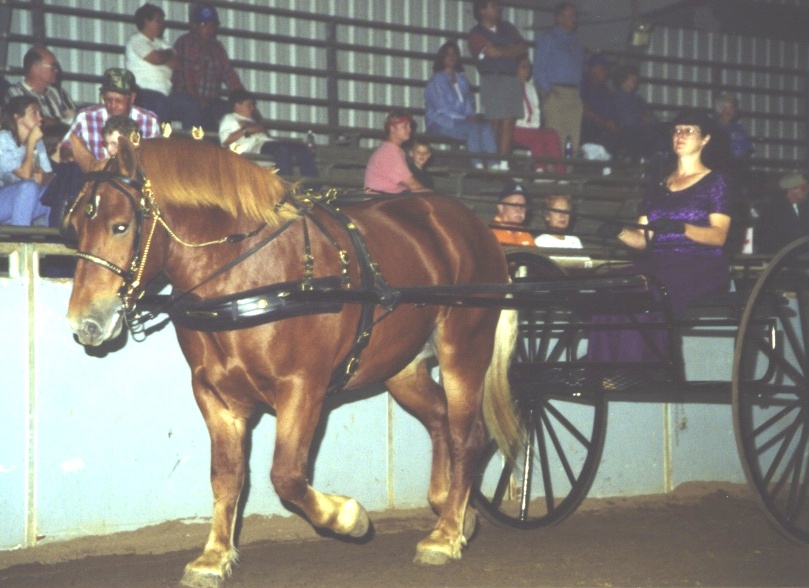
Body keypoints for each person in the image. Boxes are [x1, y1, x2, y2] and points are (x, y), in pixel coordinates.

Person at [591, 110, 734, 361]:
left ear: (705, 139)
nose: (680, 135)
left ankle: (644, 363)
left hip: (700, 265)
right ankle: (605, 362)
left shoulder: (716, 182)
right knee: (612, 284)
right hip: (659, 262)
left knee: (649, 290)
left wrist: (682, 228)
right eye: (677, 130)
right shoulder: (658, 185)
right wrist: (619, 231)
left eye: (688, 130)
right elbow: (642, 240)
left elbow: (718, 236)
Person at [467, 0, 528, 168]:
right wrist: (511, 50)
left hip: (511, 78)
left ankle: (503, 163)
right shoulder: (476, 34)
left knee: (509, 120)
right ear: (482, 10)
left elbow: (522, 47)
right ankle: (491, 162)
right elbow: (491, 52)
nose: (499, 8)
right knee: (495, 121)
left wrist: (503, 51)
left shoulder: (508, 27)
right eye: (493, 6)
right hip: (493, 79)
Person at [62, 67, 161, 168]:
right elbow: (65, 147)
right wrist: (70, 155)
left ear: (132, 98)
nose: (112, 105)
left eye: (118, 101)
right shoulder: (85, 118)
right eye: (108, 99)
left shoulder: (149, 121)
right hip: (94, 177)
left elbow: (156, 157)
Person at [126, 3, 203, 129]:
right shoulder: (137, 40)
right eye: (158, 20)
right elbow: (156, 58)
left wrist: (162, 56)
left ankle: (190, 143)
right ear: (147, 21)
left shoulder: (162, 44)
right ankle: (159, 142)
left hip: (165, 94)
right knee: (159, 104)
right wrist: (166, 55)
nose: (162, 24)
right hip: (144, 93)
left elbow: (178, 64)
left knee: (191, 104)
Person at [424, 40, 497, 169]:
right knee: (472, 128)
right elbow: (441, 108)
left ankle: (494, 164)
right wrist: (465, 118)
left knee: (485, 126)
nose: (451, 57)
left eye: (454, 54)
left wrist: (471, 115)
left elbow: (469, 103)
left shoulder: (462, 80)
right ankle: (477, 164)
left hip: (461, 122)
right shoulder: (436, 80)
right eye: (448, 54)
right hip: (441, 122)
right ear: (442, 58)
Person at [172, 3, 244, 131]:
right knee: (194, 108)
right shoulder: (186, 42)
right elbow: (187, 75)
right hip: (187, 96)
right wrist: (198, 98)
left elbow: (229, 75)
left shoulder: (217, 48)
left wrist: (243, 100)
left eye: (211, 25)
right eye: (203, 25)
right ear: (194, 26)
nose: (208, 29)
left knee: (231, 111)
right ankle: (193, 145)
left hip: (210, 100)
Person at [218, 89, 318, 178]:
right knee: (281, 149)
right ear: (237, 104)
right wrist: (246, 130)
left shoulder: (253, 120)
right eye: (249, 105)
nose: (252, 108)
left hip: (266, 144)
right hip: (252, 149)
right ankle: (284, 186)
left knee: (301, 148)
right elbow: (225, 141)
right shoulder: (229, 118)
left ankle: (313, 187)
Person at [533, 2, 584, 156]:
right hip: (556, 92)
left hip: (574, 94)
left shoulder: (576, 42)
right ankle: (553, 173)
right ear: (559, 18)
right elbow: (539, 67)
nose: (574, 19)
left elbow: (579, 69)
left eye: (575, 16)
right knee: (556, 135)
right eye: (570, 15)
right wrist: (548, 92)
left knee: (574, 136)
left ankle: (567, 175)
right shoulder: (549, 39)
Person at [0, 96, 51, 226]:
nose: (40, 118)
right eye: (34, 113)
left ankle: (51, 241)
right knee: (29, 186)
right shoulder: (3, 139)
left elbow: (50, 175)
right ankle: (20, 240)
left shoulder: (38, 143)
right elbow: (25, 175)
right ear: (17, 117)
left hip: (22, 205)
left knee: (54, 190)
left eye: (40, 113)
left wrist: (43, 177)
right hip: (3, 201)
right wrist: (31, 144)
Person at [513, 55, 564, 174]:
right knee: (536, 138)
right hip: (517, 127)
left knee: (551, 134)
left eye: (528, 67)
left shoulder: (531, 88)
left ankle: (560, 170)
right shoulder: (511, 86)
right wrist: (525, 124)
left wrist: (535, 124)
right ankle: (540, 169)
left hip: (531, 127)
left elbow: (536, 109)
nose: (527, 70)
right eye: (523, 67)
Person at [5, 46, 76, 128]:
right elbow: (36, 121)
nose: (56, 70)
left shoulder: (59, 93)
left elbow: (75, 116)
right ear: (36, 68)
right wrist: (63, 123)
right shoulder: (16, 92)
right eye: (52, 67)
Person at [364, 110, 431, 194]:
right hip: (382, 199)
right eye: (405, 126)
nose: (409, 129)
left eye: (409, 126)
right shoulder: (390, 152)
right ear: (392, 129)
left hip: (390, 196)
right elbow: (413, 186)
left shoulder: (392, 149)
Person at [612, 65, 663, 161]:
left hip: (641, 131)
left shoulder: (638, 99)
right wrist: (642, 119)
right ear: (623, 79)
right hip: (627, 133)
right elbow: (627, 120)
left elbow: (652, 117)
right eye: (632, 79)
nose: (635, 81)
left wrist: (648, 119)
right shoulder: (616, 97)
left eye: (636, 79)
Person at [755, 172, 809, 254]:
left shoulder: (804, 208)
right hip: (780, 258)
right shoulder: (774, 210)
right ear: (792, 190)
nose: (807, 192)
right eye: (804, 189)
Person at [580, 53, 619, 156]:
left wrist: (613, 125)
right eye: (603, 69)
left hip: (604, 129)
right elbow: (583, 108)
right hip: (587, 128)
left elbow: (612, 113)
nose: (606, 72)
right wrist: (605, 123)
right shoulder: (583, 85)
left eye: (607, 69)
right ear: (593, 69)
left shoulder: (605, 90)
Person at [489, 181, 536, 246]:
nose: (519, 210)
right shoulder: (490, 235)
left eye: (523, 206)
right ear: (501, 207)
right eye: (514, 205)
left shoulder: (526, 235)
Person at [714, 93, 753, 160]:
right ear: (722, 108)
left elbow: (747, 150)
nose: (736, 109)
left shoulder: (739, 129)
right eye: (733, 106)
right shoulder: (713, 128)